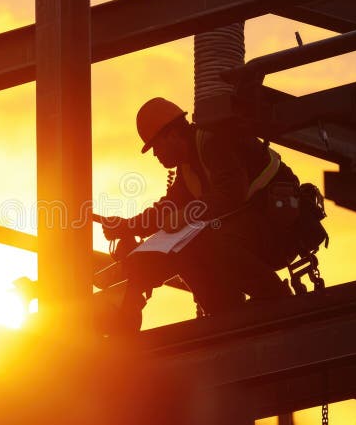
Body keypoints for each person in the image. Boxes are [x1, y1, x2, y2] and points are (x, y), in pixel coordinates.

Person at [100, 97, 305, 332]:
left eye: (155, 146)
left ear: (172, 134)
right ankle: (224, 313)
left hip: (278, 227)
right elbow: (167, 208)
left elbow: (231, 193)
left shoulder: (213, 142)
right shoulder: (188, 166)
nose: (156, 155)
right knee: (185, 251)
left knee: (209, 240)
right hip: (251, 230)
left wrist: (187, 214)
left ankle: (273, 296)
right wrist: (128, 226)